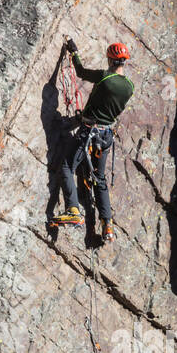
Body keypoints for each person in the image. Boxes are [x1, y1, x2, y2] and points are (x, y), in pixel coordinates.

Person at [52, 38, 134, 242]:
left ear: (110, 59)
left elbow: (79, 71)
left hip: (89, 132)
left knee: (67, 166)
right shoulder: (129, 86)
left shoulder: (105, 77)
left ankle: (73, 210)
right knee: (99, 179)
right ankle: (107, 224)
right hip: (106, 136)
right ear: (124, 62)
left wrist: (74, 51)